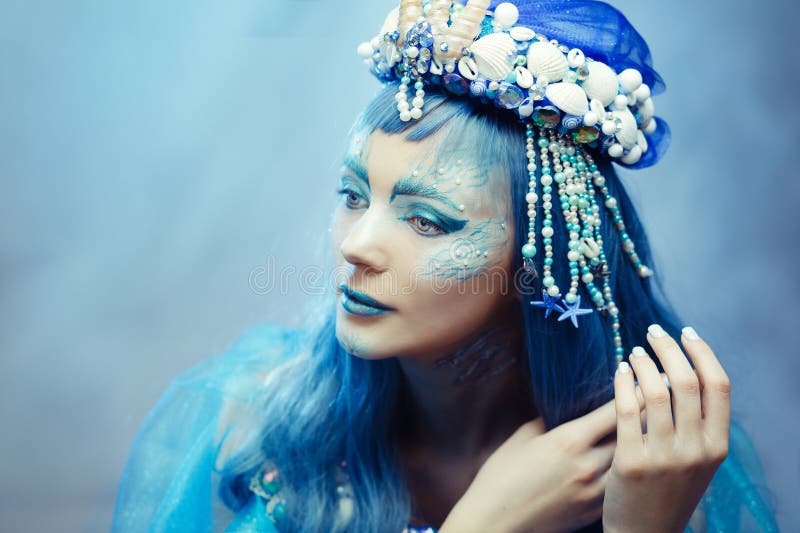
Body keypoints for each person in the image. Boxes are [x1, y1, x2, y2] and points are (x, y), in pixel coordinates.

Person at [110, 1, 780, 531]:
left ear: (542, 259)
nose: (357, 245)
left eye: (427, 219)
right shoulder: (262, 430)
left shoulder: (662, 459)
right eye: (352, 196)